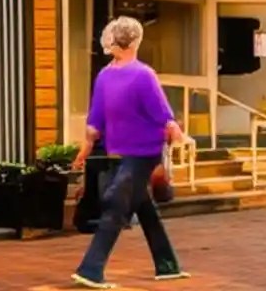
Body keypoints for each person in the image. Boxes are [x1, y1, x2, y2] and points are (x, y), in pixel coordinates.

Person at [70, 17, 190, 289]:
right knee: (136, 206)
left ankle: (91, 269)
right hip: (145, 151)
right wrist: (179, 137)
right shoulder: (143, 74)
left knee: (116, 203)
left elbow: (94, 123)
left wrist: (83, 153)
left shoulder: (104, 76)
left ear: (112, 41)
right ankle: (166, 266)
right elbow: (163, 115)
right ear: (136, 41)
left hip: (125, 153)